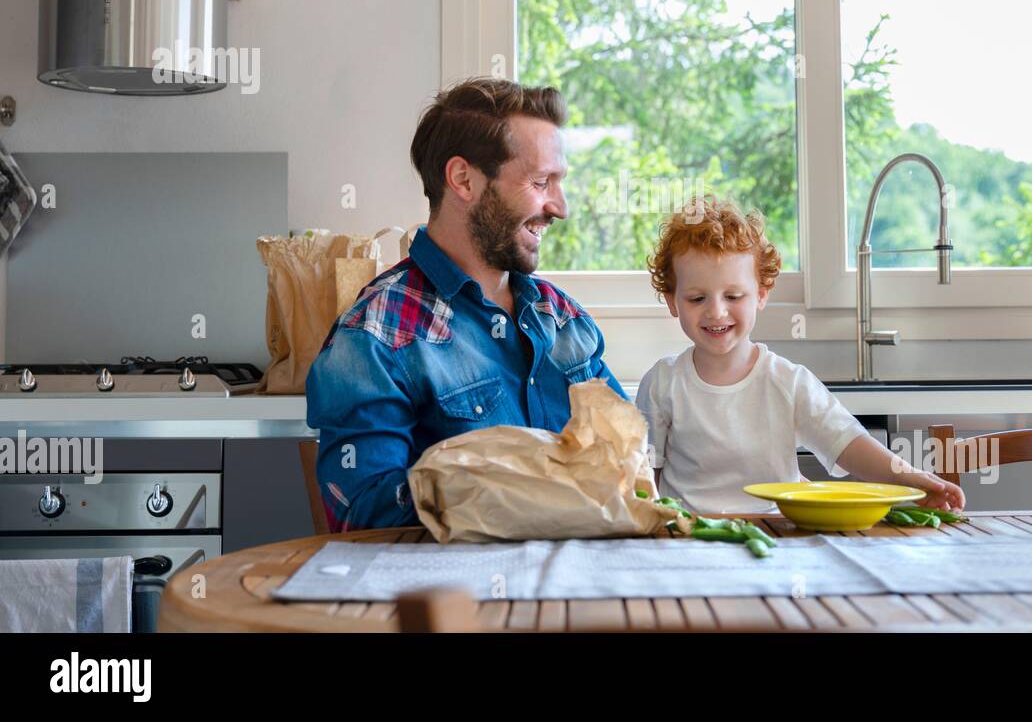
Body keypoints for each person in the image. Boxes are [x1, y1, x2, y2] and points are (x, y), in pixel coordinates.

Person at [306, 77, 624, 531]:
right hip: (456, 598)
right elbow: (365, 516)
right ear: (463, 180)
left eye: (559, 183)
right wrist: (512, 492)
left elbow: (622, 459)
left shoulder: (563, 320)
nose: (560, 207)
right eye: (540, 182)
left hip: (573, 588)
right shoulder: (376, 334)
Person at [636, 195, 966, 516]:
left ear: (761, 295)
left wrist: (909, 477)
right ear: (672, 302)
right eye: (696, 299)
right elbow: (645, 475)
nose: (716, 312)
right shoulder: (662, 383)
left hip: (775, 536)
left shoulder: (788, 381)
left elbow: (847, 441)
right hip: (690, 538)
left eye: (734, 295)